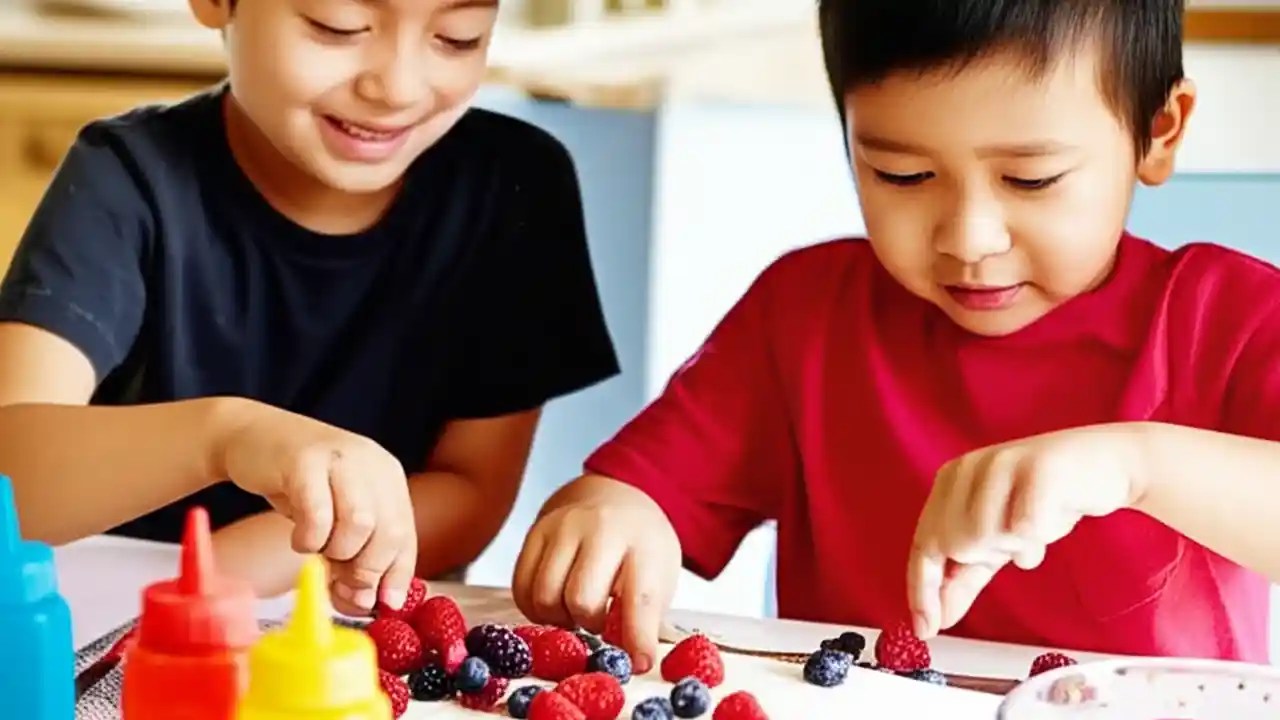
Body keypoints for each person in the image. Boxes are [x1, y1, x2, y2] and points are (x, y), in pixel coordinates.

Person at [513, 0, 1280, 674]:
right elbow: (645, 490)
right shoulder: (806, 314)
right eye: (902, 176)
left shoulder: (1227, 317)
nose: (970, 238)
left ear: (1159, 130)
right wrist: (609, 512)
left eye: (1031, 180)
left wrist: (1135, 464)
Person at [0, 0, 618, 616]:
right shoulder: (127, 179)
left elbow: (472, 488)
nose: (397, 88)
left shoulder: (514, 184)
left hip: (345, 635)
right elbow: (11, 470)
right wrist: (225, 439)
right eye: (337, 27)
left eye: (457, 38)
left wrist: (228, 575)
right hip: (115, 624)